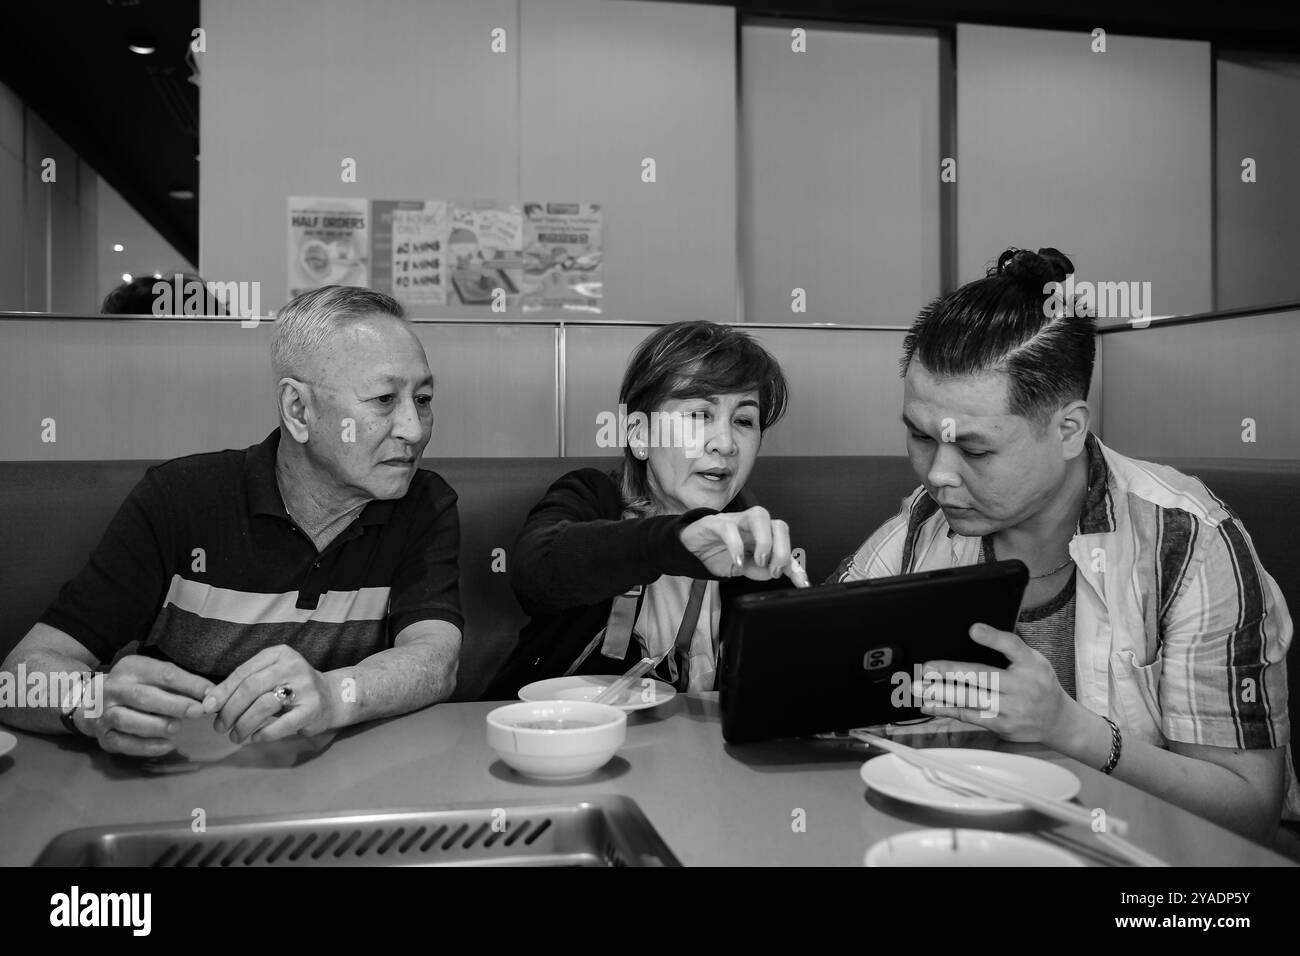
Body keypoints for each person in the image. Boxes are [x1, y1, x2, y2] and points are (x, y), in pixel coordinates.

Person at [832, 247, 1296, 842]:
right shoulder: (920, 532)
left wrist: (1068, 727)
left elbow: (1250, 810)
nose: (938, 474)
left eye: (975, 450)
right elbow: (820, 679)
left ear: (1068, 429)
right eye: (920, 436)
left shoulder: (1185, 541)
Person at [0, 286, 462, 755]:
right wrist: (91, 701)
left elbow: (435, 659)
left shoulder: (422, 502)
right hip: (175, 776)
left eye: (422, 399)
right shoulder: (182, 498)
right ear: (298, 409)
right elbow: (18, 675)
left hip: (340, 783)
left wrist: (333, 694)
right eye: (384, 399)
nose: (414, 429)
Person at [487, 320, 809, 699]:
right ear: (640, 434)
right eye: (698, 415)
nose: (725, 443)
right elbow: (535, 573)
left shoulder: (751, 536)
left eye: (743, 421)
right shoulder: (592, 495)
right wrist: (678, 540)